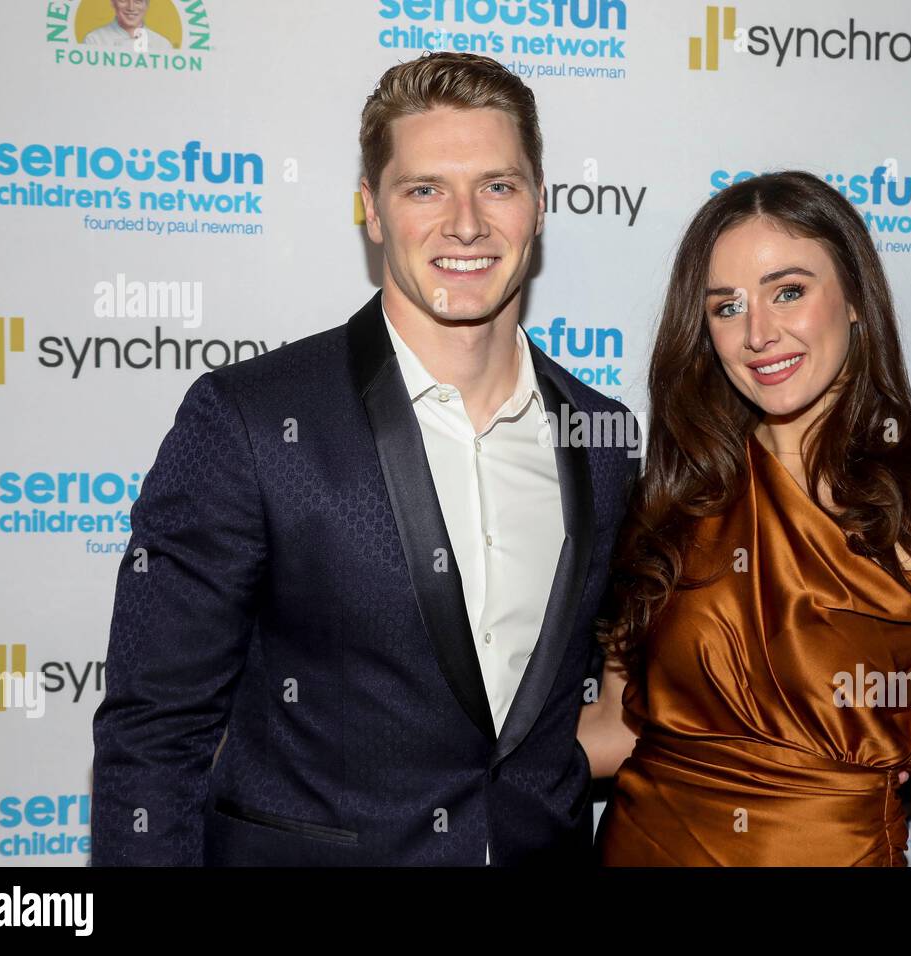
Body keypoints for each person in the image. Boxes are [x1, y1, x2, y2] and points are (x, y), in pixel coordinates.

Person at [90, 51, 637, 866]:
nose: (466, 223)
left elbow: (573, 710)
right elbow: (155, 733)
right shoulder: (250, 420)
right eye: (425, 190)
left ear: (540, 203)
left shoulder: (604, 439)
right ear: (372, 212)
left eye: (497, 185)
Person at [578, 170, 911, 866]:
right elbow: (619, 728)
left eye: (789, 292)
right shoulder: (676, 500)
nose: (758, 334)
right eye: (727, 307)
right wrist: (442, 757)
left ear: (855, 297)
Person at [82, 0, 174, 51]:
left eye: (138, 1)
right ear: (113, 3)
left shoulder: (162, 45)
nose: (131, 8)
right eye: (123, 0)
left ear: (146, 5)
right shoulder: (94, 40)